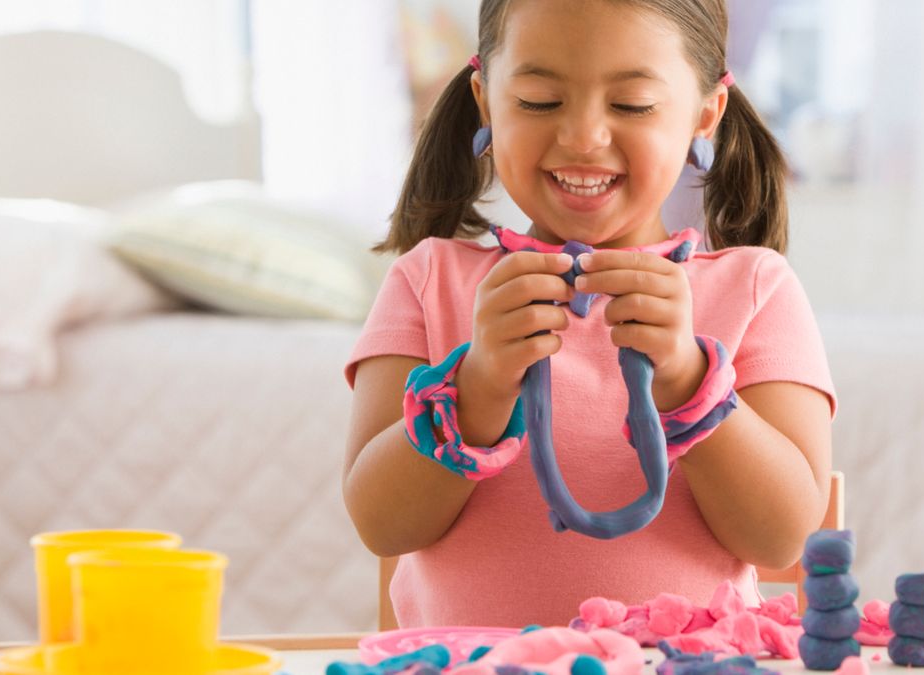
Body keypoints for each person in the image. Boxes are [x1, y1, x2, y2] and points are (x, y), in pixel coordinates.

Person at [343, 0, 836, 629]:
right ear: (486, 101)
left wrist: (688, 379)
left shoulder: (755, 288)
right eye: (539, 101)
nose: (582, 137)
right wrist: (479, 384)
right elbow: (381, 525)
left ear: (705, 114)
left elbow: (781, 538)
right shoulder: (428, 280)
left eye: (631, 105)